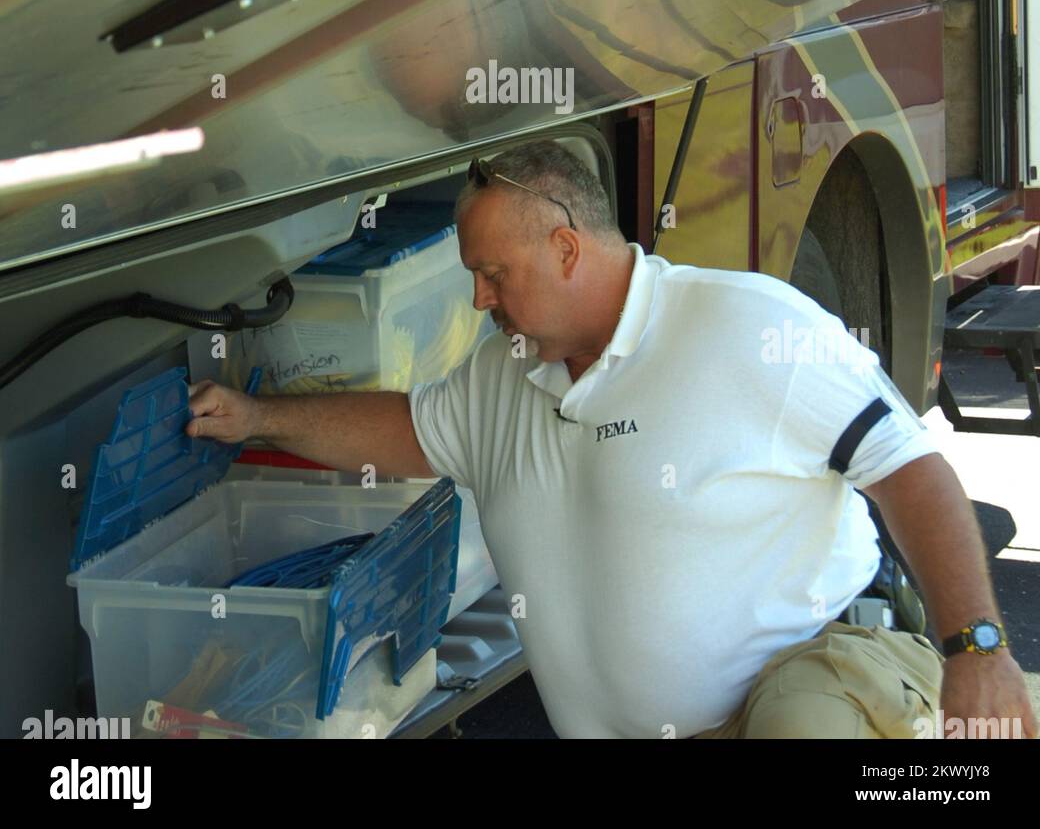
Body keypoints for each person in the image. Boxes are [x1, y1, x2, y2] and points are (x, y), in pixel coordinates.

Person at [187, 141, 1037, 740]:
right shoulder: (501, 375)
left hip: (818, 679)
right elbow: (409, 429)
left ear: (565, 248)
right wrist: (259, 418)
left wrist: (979, 649)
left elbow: (910, 471)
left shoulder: (742, 327)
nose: (480, 301)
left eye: (493, 276)